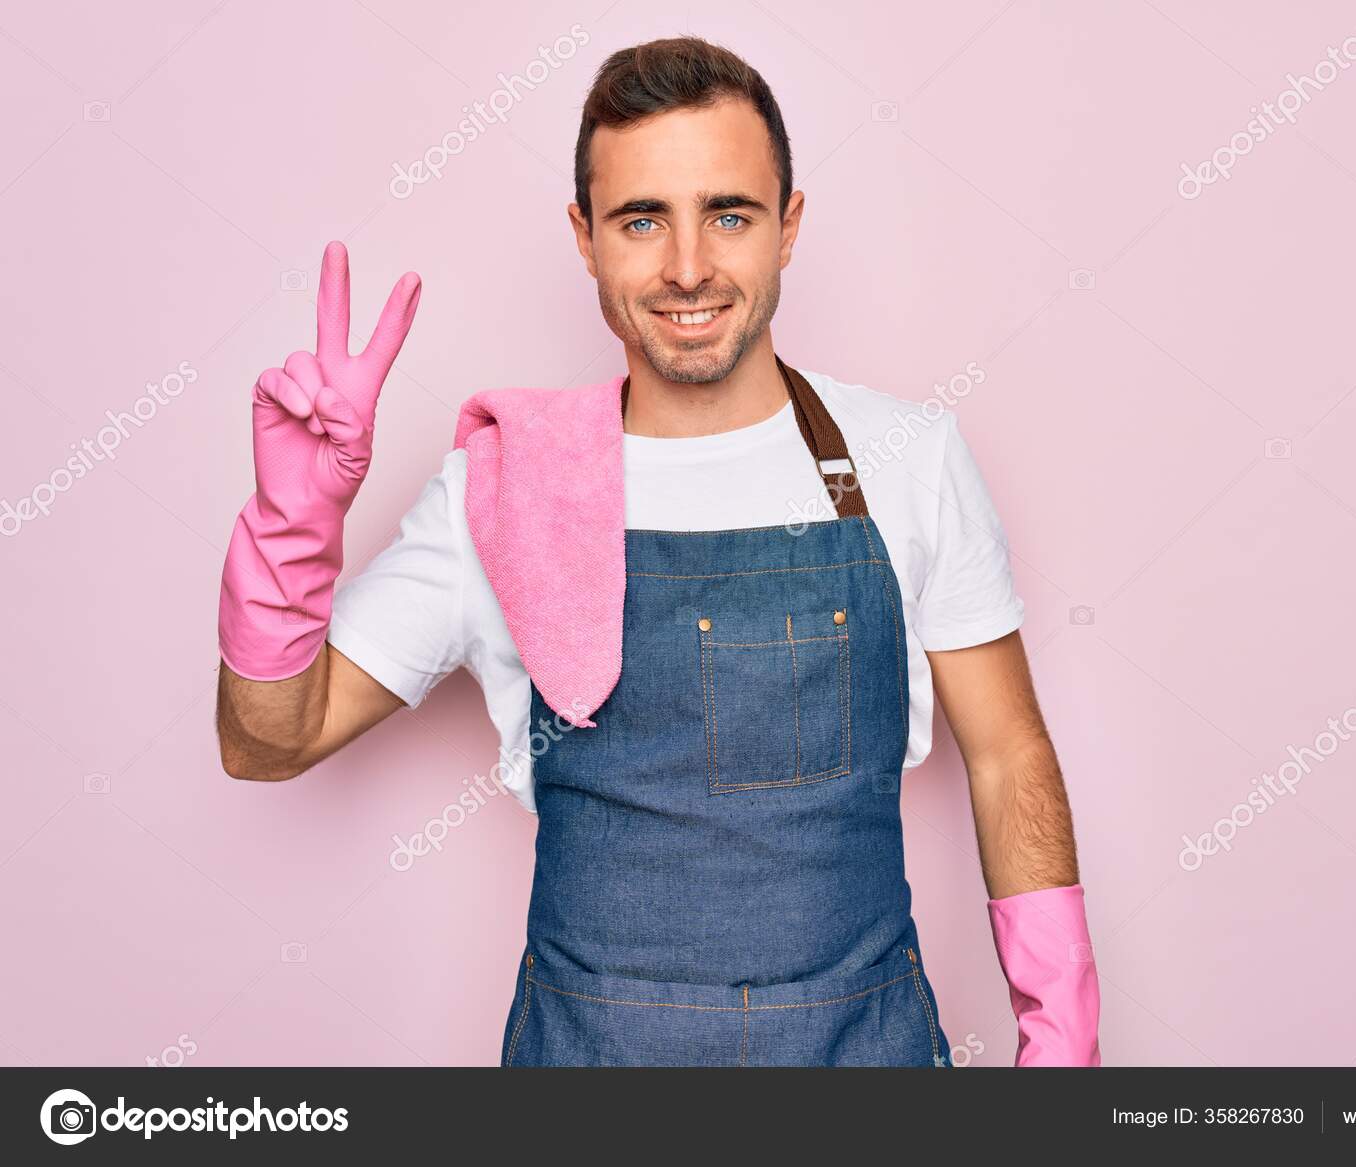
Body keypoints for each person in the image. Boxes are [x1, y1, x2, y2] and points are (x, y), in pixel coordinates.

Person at [215, 35, 1099, 1068]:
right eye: (642, 221)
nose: (688, 267)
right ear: (585, 238)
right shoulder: (501, 488)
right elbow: (269, 741)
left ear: (788, 227)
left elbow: (1005, 758)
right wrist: (293, 527)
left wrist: (1063, 1047)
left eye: (729, 214)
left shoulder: (908, 456)